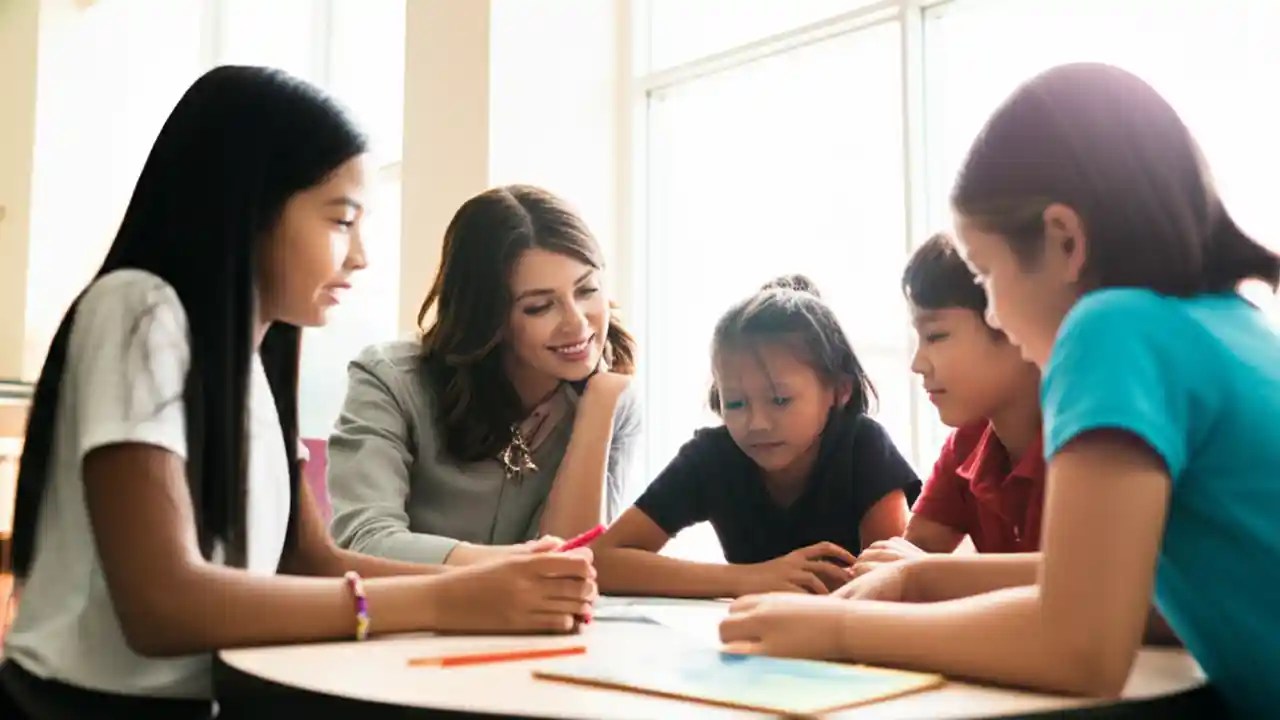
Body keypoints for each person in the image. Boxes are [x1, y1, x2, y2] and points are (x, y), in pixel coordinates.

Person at [0, 67, 594, 718]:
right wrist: (449, 599)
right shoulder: (139, 309)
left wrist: (492, 585)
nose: (360, 256)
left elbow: (303, 559)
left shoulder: (253, 354)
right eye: (341, 220)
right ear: (247, 207)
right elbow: (161, 604)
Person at [720, 63, 1280, 716]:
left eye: (985, 276)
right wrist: (924, 575)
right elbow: (1140, 599)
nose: (993, 314)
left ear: (1065, 241)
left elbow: (1079, 647)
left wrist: (836, 632)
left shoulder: (1112, 327)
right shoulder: (1230, 327)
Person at [327, 185, 640, 566]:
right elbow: (363, 540)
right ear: (488, 317)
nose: (577, 323)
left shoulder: (612, 400)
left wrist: (598, 410)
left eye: (587, 289)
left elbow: (578, 563)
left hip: (540, 623)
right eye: (540, 307)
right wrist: (507, 567)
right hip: (409, 621)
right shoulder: (390, 380)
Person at [592, 275, 921, 598]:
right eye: (735, 403)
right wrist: (746, 578)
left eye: (780, 400)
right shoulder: (712, 457)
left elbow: (893, 582)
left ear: (839, 390)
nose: (757, 423)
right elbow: (602, 562)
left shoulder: (862, 447)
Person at [846, 232, 1042, 580]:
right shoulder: (968, 443)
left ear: (1014, 325)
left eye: (935, 336)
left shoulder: (1089, 440)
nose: (918, 363)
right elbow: (906, 559)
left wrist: (933, 574)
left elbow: (1089, 583)